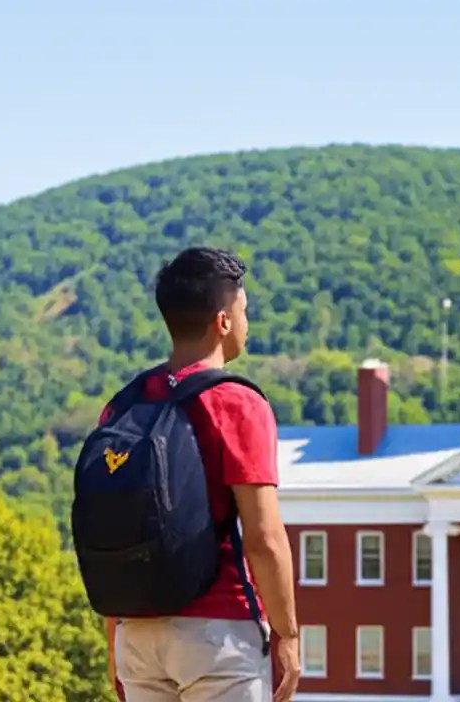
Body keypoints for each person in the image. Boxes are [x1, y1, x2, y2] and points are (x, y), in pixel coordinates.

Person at [102, 247, 300, 702]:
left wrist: (115, 636)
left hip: (137, 634)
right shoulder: (237, 403)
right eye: (244, 310)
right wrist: (287, 635)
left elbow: (115, 533)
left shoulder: (124, 405)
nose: (247, 322)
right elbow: (264, 537)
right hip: (219, 634)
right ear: (223, 320)